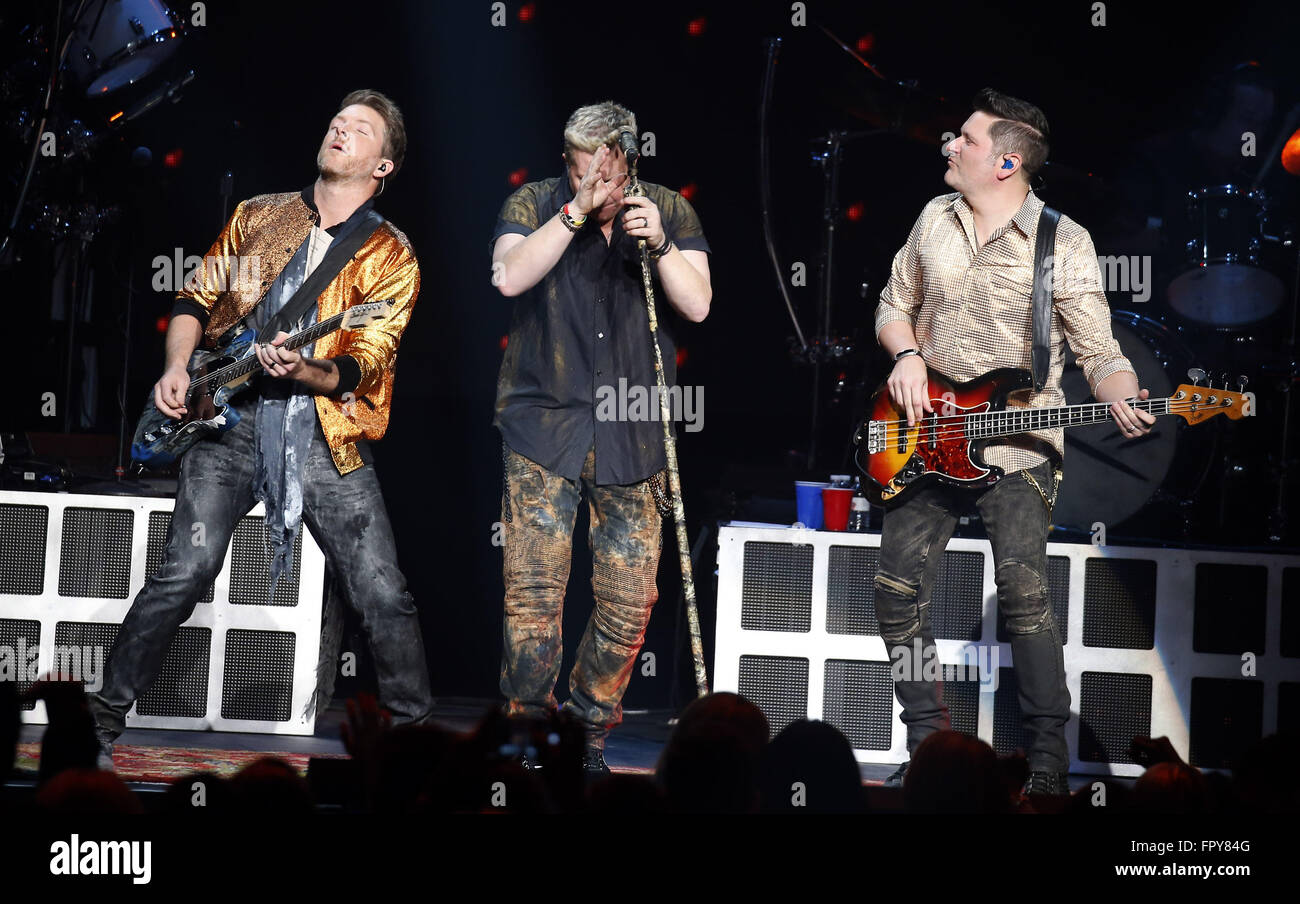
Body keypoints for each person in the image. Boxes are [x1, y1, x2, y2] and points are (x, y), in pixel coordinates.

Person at [87, 90, 435, 768]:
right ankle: (96, 727)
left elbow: (362, 368)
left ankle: (411, 749)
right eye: (337, 118)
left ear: (383, 166)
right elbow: (195, 298)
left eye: (359, 129)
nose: (339, 128)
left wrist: (305, 371)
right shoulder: (260, 214)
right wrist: (178, 368)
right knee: (183, 571)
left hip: (323, 433)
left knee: (383, 591)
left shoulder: (390, 258)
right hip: (228, 421)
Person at [873, 88, 1152, 796]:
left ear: (1005, 160)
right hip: (925, 436)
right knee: (894, 592)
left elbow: (1099, 349)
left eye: (962, 138)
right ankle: (928, 748)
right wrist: (905, 355)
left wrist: (1121, 393)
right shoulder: (934, 217)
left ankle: (1048, 766)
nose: (948, 145)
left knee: (1025, 596)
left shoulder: (1065, 242)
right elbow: (891, 305)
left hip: (1018, 441)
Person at [490, 100, 712, 774]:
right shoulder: (534, 203)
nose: (599, 188)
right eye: (585, 173)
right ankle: (529, 737)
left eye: (610, 177)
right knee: (533, 591)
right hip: (543, 424)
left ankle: (585, 728)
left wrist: (665, 249)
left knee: (630, 601)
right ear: (568, 163)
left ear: (631, 166)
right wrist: (574, 213)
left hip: (634, 433)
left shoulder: (669, 211)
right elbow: (508, 276)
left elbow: (699, 304)